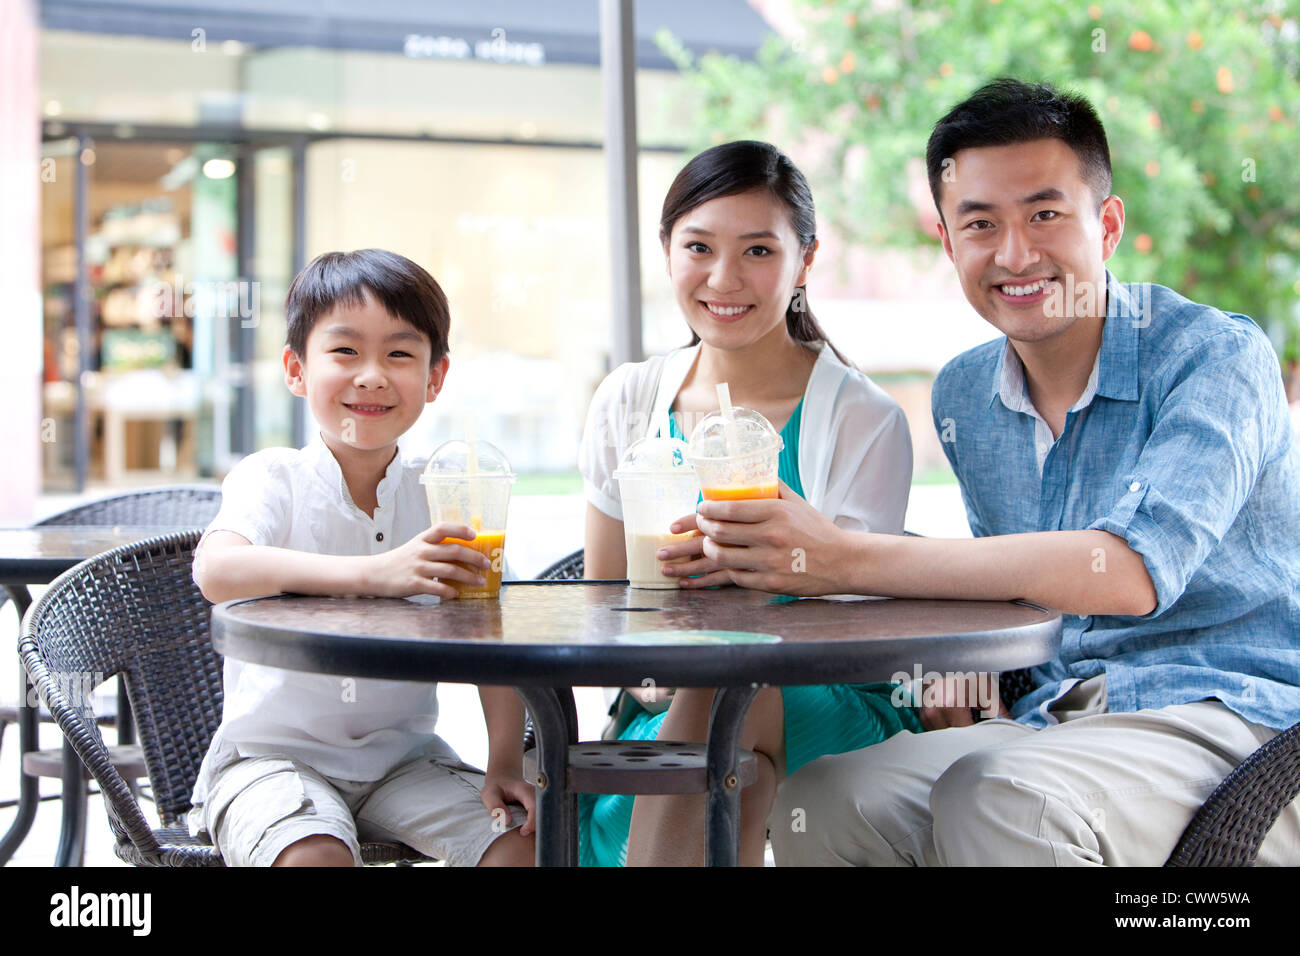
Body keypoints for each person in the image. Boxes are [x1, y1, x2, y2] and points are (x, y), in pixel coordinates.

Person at [685, 79, 1300, 866]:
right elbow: (1016, 593)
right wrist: (971, 672)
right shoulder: (966, 394)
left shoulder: (1214, 357)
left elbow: (1130, 570)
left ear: (1106, 225)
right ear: (948, 243)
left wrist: (842, 554)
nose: (1015, 254)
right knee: (827, 799)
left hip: (1232, 718)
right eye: (981, 224)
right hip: (1056, 720)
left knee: (1001, 797)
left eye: (1045, 214)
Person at [578, 141, 920, 866]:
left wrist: (753, 568)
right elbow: (606, 605)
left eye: (759, 251)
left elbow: (855, 626)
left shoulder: (862, 418)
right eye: (698, 246)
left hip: (831, 702)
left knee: (736, 690)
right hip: (665, 702)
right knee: (735, 764)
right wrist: (657, 674)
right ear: (667, 250)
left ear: (805, 260)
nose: (724, 279)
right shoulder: (627, 403)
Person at [189, 248, 535, 867]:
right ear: (296, 370)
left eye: (400, 354)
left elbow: (493, 630)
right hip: (271, 760)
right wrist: (376, 575)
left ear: (435, 378)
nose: (372, 375)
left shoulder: (446, 495)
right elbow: (218, 570)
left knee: (520, 846)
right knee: (314, 856)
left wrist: (505, 760)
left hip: (405, 761)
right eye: (345, 351)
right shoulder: (274, 477)